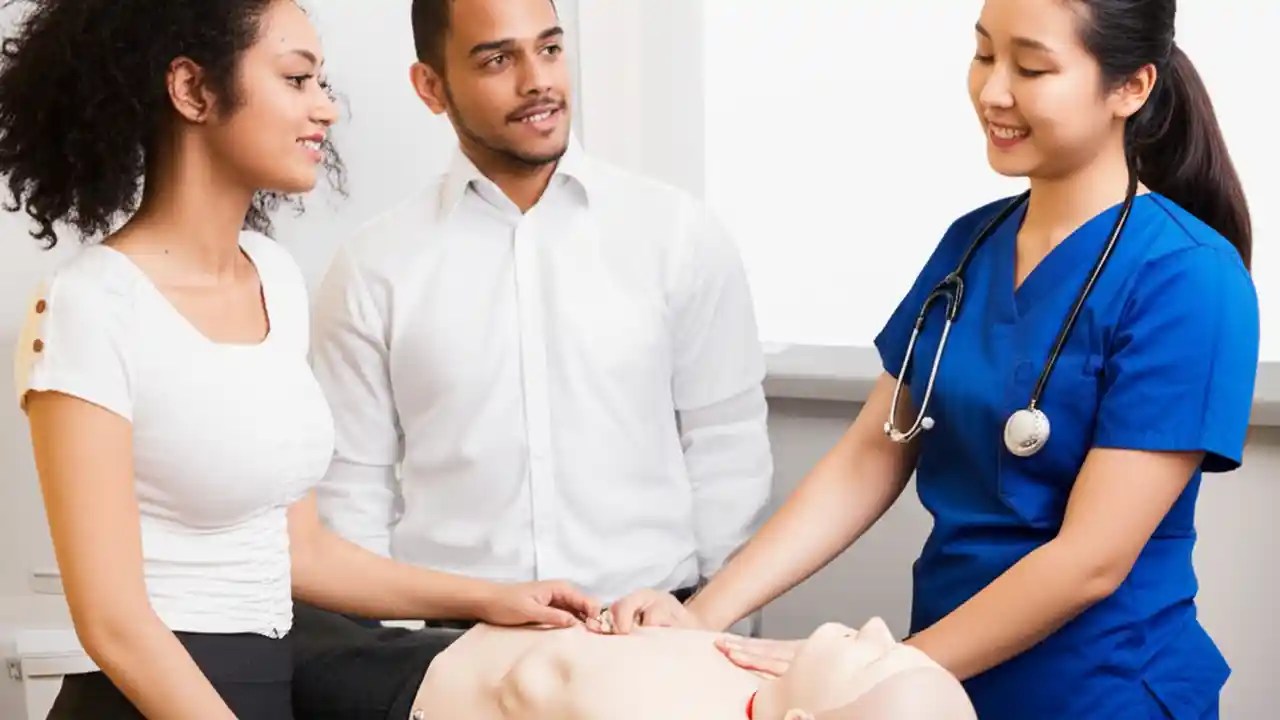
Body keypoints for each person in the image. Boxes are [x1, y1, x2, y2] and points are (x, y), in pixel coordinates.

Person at [604, 1, 1259, 718]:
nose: (993, 91)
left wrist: (878, 671)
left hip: (1103, 690)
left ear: (1130, 88)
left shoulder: (1190, 278)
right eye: (984, 56)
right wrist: (704, 614)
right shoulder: (970, 247)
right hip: (942, 684)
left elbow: (1091, 562)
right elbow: (870, 457)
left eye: (1031, 66)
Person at [0, 1, 596, 718]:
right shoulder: (88, 306)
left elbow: (302, 552)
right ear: (193, 90)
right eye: (297, 79)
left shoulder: (275, 276)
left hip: (271, 684)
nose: (327, 110)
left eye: (323, 82)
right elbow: (115, 625)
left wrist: (489, 597)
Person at [309, 0, 772, 618]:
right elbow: (352, 491)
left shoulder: (677, 234)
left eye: (549, 48)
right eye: (498, 59)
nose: (538, 82)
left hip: (651, 630)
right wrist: (392, 658)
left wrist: (713, 626)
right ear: (431, 86)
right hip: (454, 649)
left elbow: (726, 442)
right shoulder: (372, 268)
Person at [288, 603, 977, 720]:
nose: (879, 625)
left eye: (872, 659)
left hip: (397, 692)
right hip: (434, 644)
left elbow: (541, 685)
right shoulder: (774, 673)